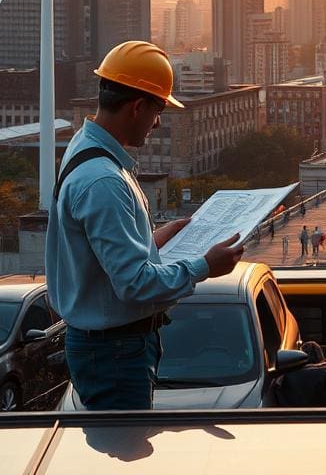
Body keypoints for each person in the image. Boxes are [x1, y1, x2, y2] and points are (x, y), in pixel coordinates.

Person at [45, 41, 243, 411]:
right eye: (158, 111)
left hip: (110, 348)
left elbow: (102, 258)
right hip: (114, 353)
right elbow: (133, 284)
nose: (157, 123)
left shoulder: (85, 149)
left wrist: (154, 240)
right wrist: (205, 266)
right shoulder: (103, 180)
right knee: (125, 455)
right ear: (138, 106)